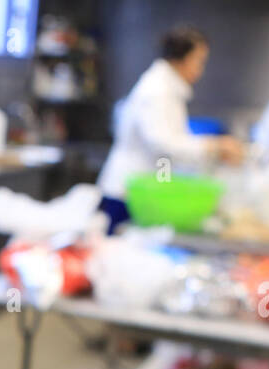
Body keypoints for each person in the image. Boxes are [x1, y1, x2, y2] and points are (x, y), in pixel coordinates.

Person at [96, 25, 245, 234]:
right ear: (180, 58)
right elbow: (162, 142)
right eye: (199, 60)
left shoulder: (168, 88)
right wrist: (215, 146)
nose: (200, 69)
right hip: (126, 193)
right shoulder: (158, 90)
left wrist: (213, 152)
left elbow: (176, 141)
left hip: (145, 191)